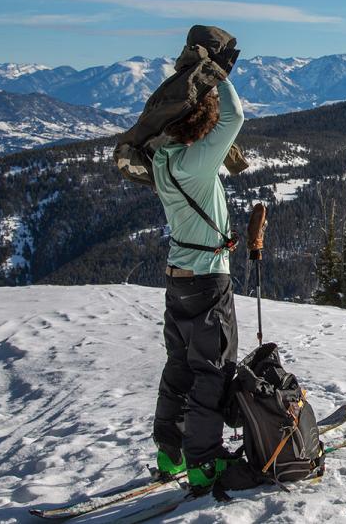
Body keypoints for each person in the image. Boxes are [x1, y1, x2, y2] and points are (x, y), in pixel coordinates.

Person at [150, 75, 245, 493]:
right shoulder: (195, 163)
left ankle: (169, 453)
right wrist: (217, 76)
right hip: (207, 279)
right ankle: (203, 462)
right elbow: (235, 117)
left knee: (179, 367)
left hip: (177, 280)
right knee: (212, 370)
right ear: (203, 123)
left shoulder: (163, 158)